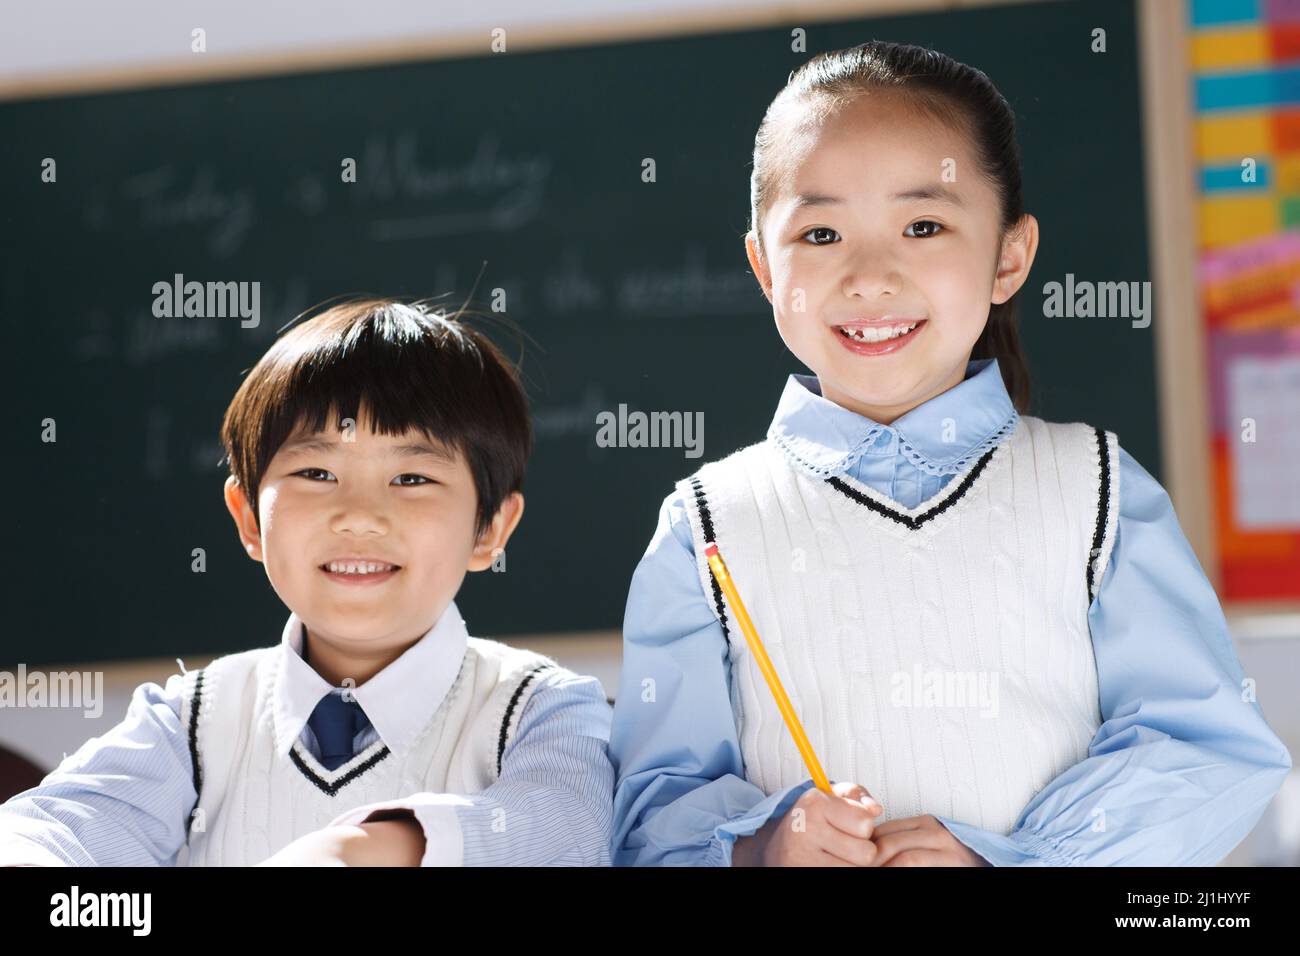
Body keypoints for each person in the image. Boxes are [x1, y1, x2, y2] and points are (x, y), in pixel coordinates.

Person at [609, 41, 1292, 867]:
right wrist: (765, 847)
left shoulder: (1099, 489)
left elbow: (1207, 750)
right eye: (820, 232)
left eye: (923, 224)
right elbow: (653, 822)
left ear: (1009, 255)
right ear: (762, 266)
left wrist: (1013, 860)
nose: (869, 276)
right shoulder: (702, 527)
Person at [0, 298, 613, 866]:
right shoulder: (190, 722)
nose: (360, 516)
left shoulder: (540, 709)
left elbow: (571, 830)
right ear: (248, 520)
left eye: (412, 478)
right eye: (318, 472)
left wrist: (364, 851)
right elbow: (52, 829)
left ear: (490, 529)